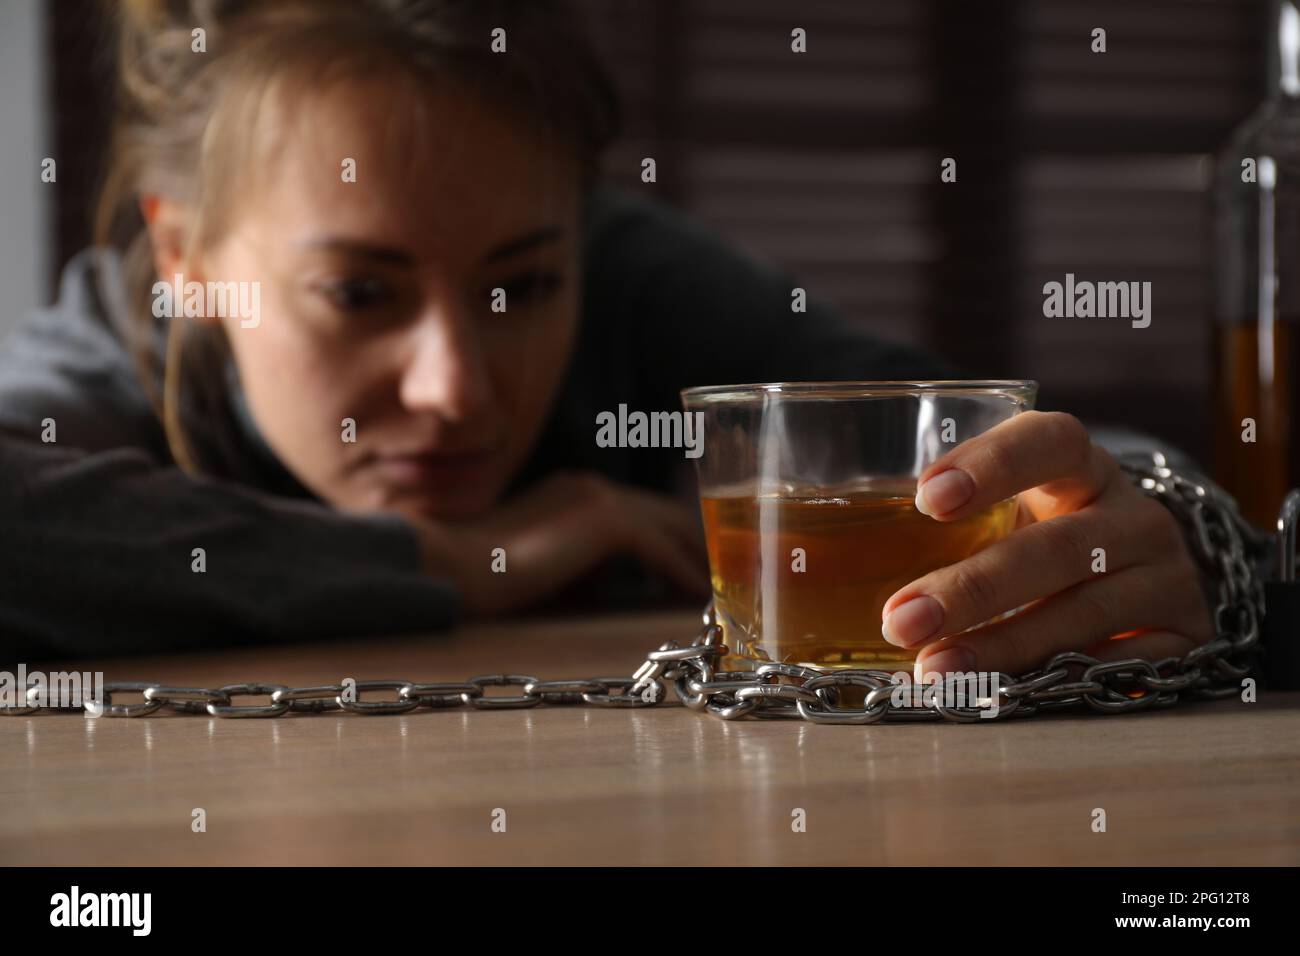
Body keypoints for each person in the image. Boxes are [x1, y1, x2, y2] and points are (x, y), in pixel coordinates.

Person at [0, 0, 1218, 682]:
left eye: (521, 288)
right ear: (183, 260)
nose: (455, 387)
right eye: (359, 295)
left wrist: (1163, 537)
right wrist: (473, 558)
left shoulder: (637, 276)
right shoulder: (115, 356)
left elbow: (1003, 445)